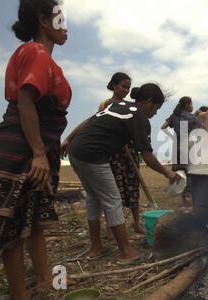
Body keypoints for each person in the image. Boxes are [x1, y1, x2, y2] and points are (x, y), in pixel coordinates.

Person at [0, 0, 70, 299]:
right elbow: (25, 101)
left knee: (33, 221)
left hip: (33, 148)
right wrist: (37, 153)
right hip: (18, 151)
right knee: (12, 230)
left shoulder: (44, 58)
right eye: (60, 19)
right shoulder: (35, 52)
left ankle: (46, 282)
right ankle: (20, 294)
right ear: (43, 21)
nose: (66, 27)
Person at [65, 83, 180, 264]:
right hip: (93, 154)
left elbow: (89, 120)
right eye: (157, 108)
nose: (156, 113)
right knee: (113, 200)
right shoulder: (139, 117)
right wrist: (168, 173)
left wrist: (68, 140)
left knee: (94, 200)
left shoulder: (120, 105)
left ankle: (96, 248)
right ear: (149, 101)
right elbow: (148, 157)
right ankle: (126, 253)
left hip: (76, 150)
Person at [99, 73, 145, 235]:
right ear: (113, 85)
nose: (126, 90)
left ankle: (136, 224)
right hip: (114, 152)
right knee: (114, 190)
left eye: (128, 87)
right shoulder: (105, 104)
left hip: (130, 151)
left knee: (133, 187)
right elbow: (101, 127)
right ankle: (112, 227)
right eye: (123, 86)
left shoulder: (129, 106)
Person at [161, 97, 201, 208]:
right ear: (187, 105)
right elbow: (200, 128)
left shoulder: (174, 115)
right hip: (188, 147)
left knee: (180, 172)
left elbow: (163, 127)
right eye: (191, 104)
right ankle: (187, 199)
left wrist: (172, 136)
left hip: (177, 147)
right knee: (189, 172)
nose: (192, 107)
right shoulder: (192, 118)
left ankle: (182, 199)